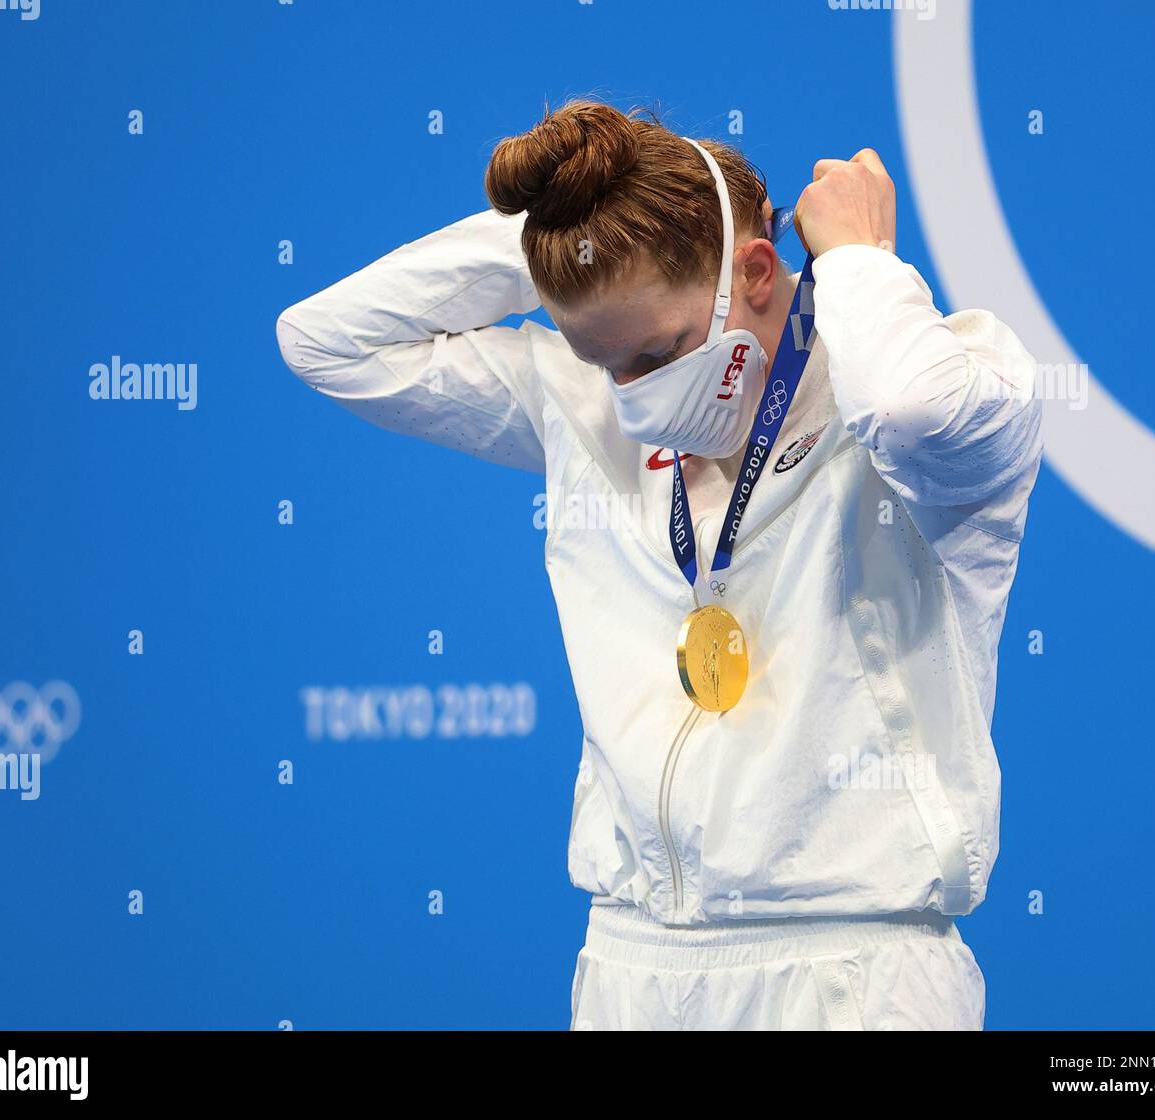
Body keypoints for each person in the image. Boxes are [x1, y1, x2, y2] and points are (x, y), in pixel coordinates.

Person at [275, 99, 1043, 1031]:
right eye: (602, 363)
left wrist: (856, 263)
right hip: (629, 966)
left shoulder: (922, 394)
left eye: (658, 353)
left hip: (854, 974)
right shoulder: (581, 403)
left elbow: (918, 407)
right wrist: (562, 240)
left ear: (757, 271)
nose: (631, 400)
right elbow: (324, 341)